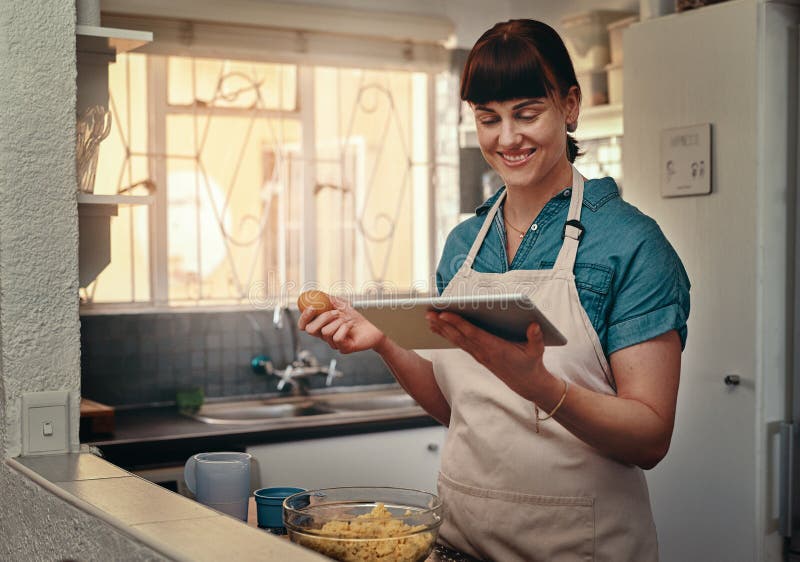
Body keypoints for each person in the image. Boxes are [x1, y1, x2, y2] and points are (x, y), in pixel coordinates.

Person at [299, 19, 690, 562]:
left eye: (528, 113)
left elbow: (650, 437)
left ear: (570, 107)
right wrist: (386, 339)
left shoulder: (629, 244)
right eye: (489, 118)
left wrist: (540, 386)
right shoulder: (464, 244)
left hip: (581, 550)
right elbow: (457, 409)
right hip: (459, 542)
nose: (507, 138)